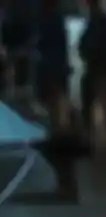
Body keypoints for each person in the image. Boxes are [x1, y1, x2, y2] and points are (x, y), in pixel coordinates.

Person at [78, 0, 106, 134]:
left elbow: (92, 43)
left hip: (97, 65)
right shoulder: (100, 20)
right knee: (102, 96)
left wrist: (86, 52)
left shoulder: (97, 21)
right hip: (100, 65)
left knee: (98, 95)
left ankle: (101, 124)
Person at [33, 0, 69, 129]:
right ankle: (59, 125)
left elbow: (40, 42)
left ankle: (55, 125)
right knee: (57, 97)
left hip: (48, 65)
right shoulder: (57, 20)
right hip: (56, 64)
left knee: (51, 99)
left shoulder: (44, 20)